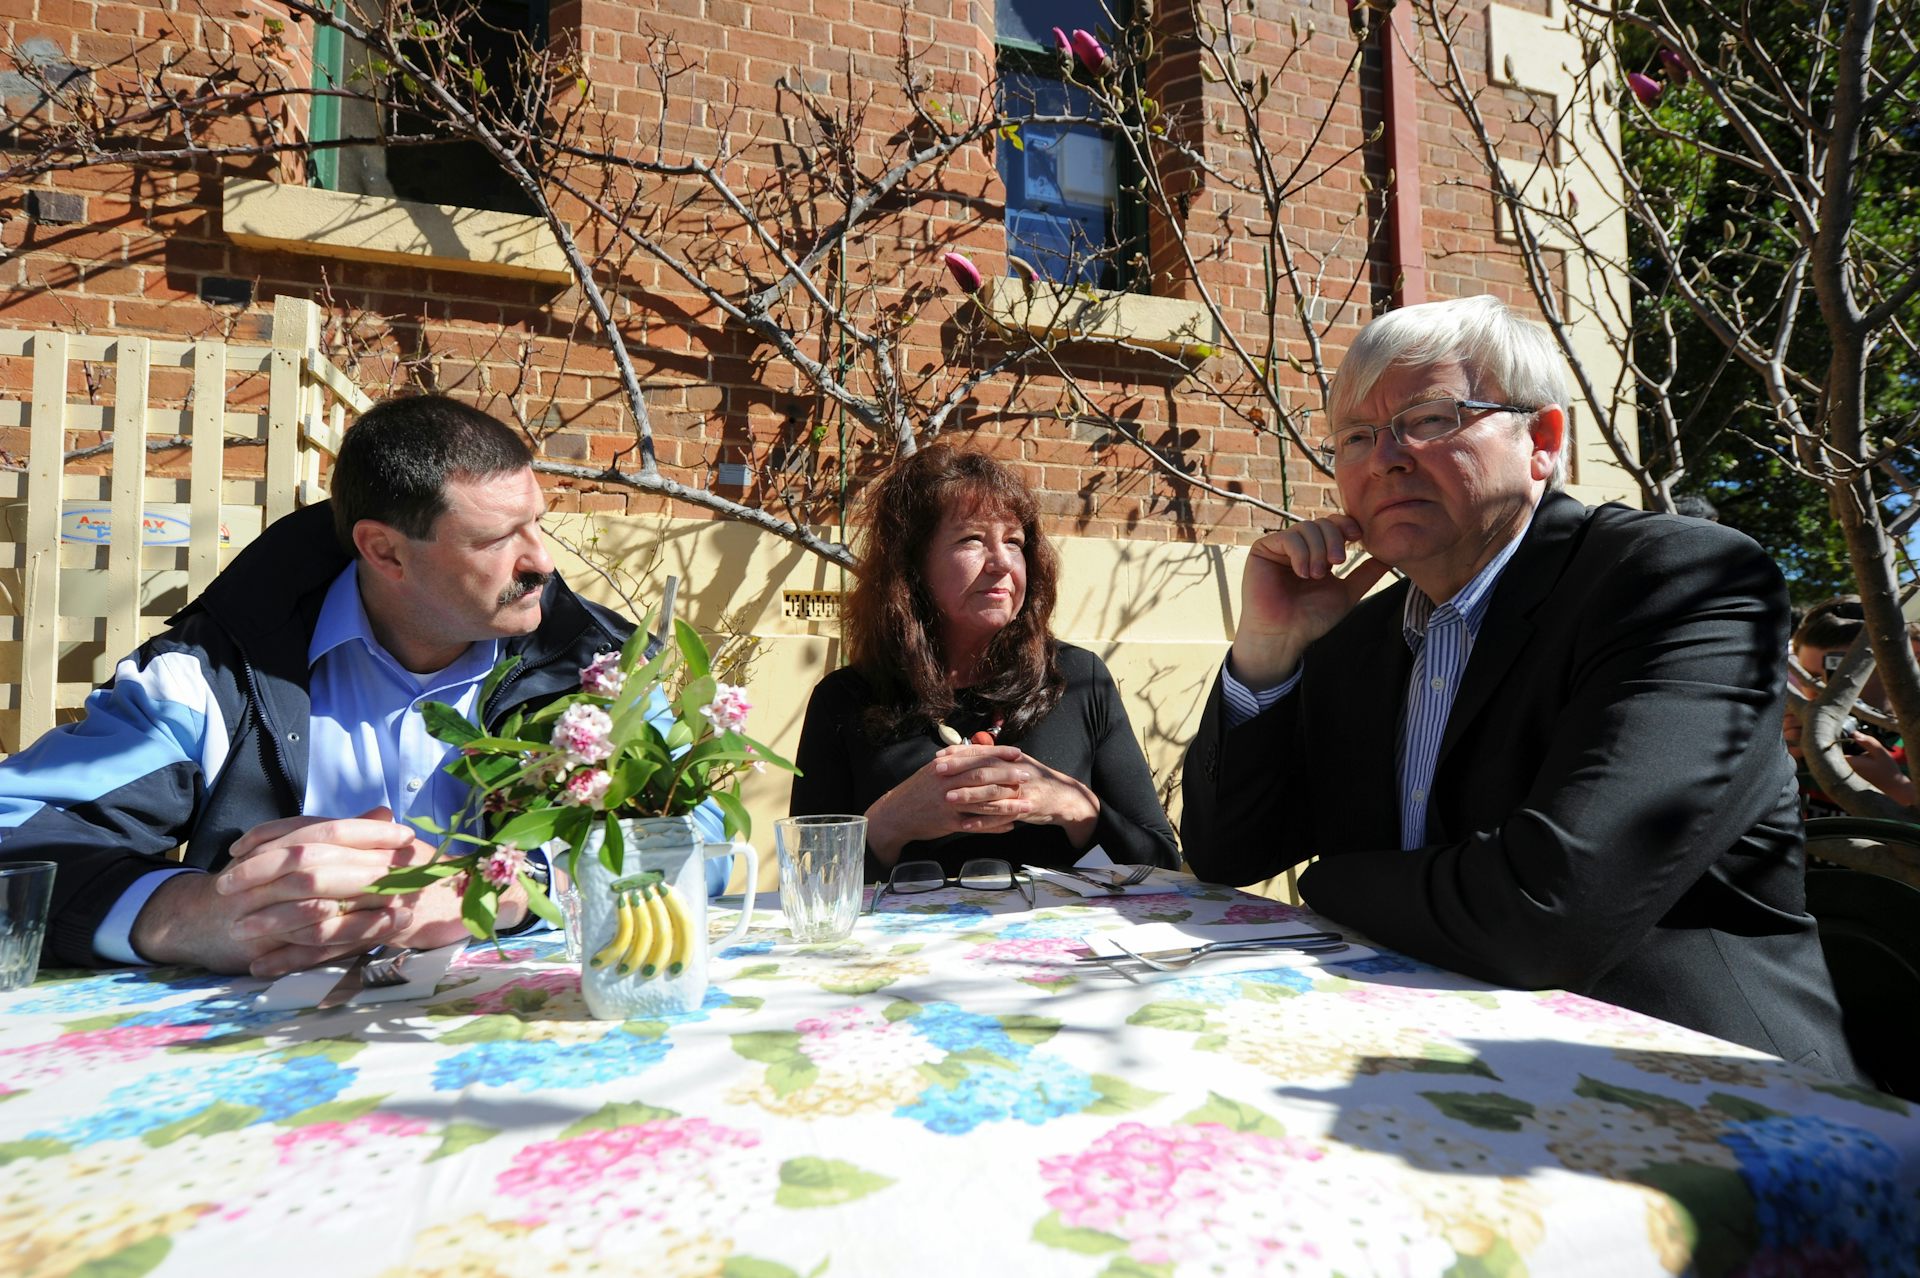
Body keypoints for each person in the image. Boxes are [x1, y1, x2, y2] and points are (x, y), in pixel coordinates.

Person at [1181, 295, 1858, 1078]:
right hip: (1417, 1053)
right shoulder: (1356, 635)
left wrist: (1330, 883)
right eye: (1356, 437)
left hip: (1691, 1075)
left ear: (1542, 439)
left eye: (1430, 418)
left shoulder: (1677, 583)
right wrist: (1268, 651)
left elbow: (1550, 909)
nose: (1385, 458)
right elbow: (1228, 851)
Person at [0, 394, 722, 978]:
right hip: (251, 1061)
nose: (542, 561)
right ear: (383, 551)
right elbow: (17, 831)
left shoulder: (593, 665)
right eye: (499, 539)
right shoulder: (218, 671)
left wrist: (500, 890)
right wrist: (194, 915)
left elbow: (704, 839)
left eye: (538, 522)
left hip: (523, 1044)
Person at [789, 444, 1179, 879]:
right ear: (911, 563)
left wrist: (1076, 806)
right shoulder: (846, 698)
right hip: (910, 947)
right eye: (972, 539)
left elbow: (1161, 862)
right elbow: (808, 880)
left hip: (1056, 946)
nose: (1001, 563)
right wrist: (889, 822)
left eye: (1014, 542)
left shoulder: (1078, 680)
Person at [1784, 596, 1917, 812]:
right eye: (1811, 678)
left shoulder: (1912, 745)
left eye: (1843, 679)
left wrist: (1899, 789)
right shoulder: (1787, 737)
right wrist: (1780, 765)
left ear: (1893, 671)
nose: (1825, 693)